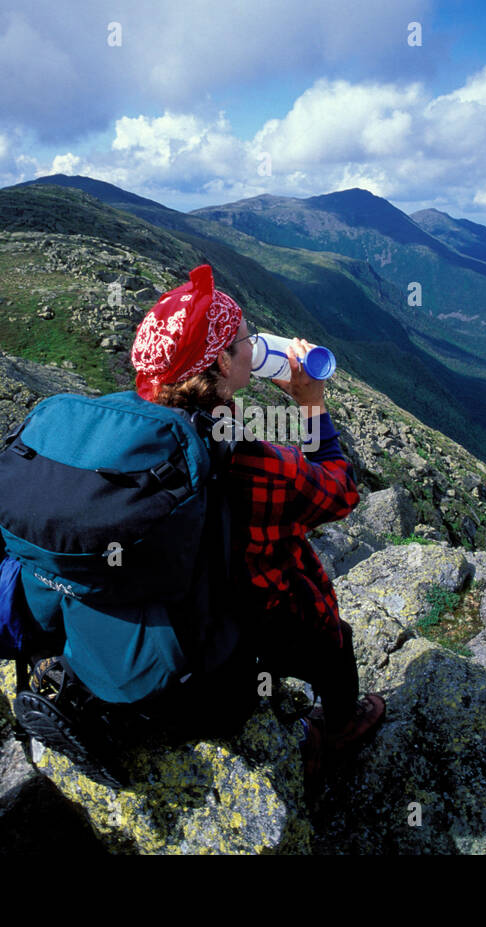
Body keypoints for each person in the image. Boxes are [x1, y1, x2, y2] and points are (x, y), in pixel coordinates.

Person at [131, 263, 386, 777]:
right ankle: (340, 726)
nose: (253, 346)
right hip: (253, 617)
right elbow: (340, 491)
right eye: (245, 339)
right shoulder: (254, 462)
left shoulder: (135, 430)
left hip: (161, 616)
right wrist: (311, 404)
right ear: (223, 362)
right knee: (335, 642)